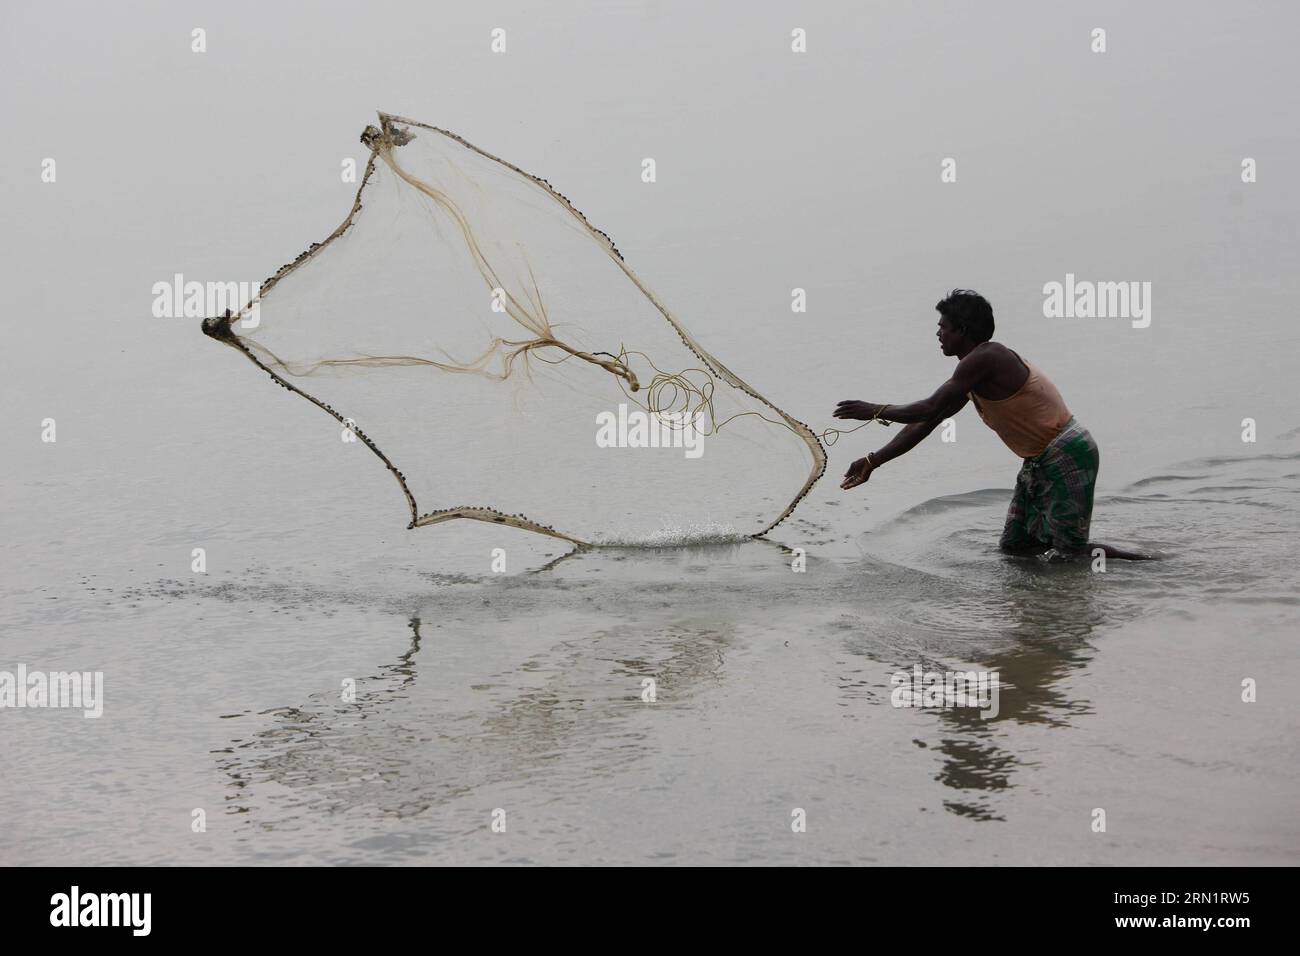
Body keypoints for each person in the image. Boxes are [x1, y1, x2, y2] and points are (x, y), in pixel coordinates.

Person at [834, 289, 1148, 560]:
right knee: (1017, 548)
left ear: (963, 329)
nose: (938, 333)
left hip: (1066, 452)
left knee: (1070, 552)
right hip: (1040, 458)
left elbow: (927, 407)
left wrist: (874, 410)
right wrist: (874, 461)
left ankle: (1151, 565)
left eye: (943, 327)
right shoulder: (970, 373)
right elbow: (928, 420)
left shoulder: (988, 357)